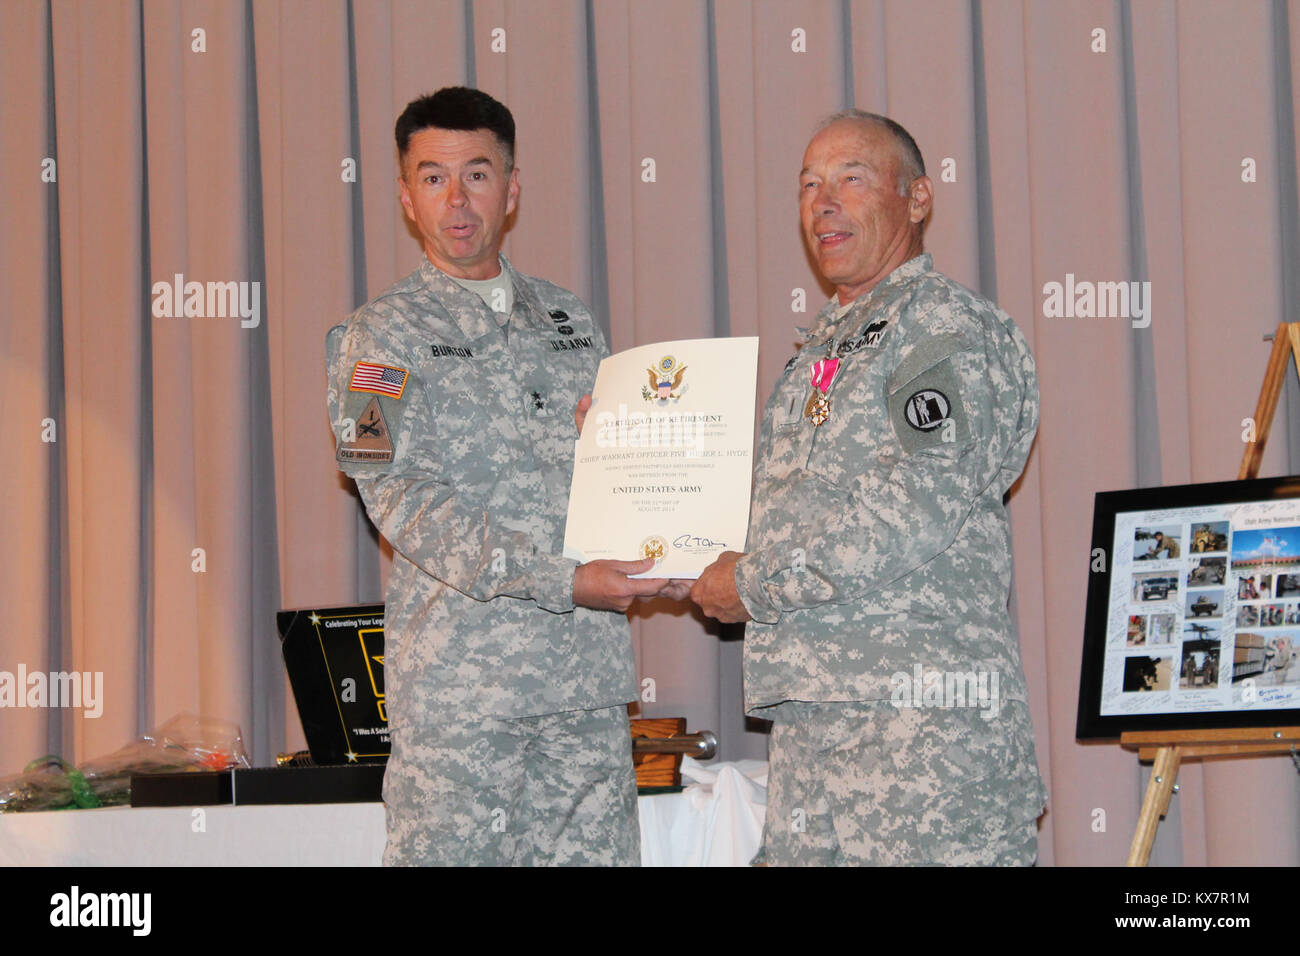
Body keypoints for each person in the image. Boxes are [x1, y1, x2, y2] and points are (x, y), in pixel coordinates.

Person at [326, 87, 675, 865]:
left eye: (477, 175)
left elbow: (619, 477)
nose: (457, 199)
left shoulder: (570, 321)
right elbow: (402, 500)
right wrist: (559, 578)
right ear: (406, 197)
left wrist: (653, 509)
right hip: (463, 704)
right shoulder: (377, 339)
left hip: (583, 689)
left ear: (511, 190)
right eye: (433, 177)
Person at [689, 109, 1047, 865]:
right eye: (809, 185)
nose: (823, 202)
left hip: (923, 741)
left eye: (851, 178)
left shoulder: (940, 326)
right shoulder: (825, 348)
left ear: (917, 199)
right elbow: (773, 510)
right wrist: (628, 444)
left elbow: (915, 501)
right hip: (821, 733)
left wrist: (753, 583)